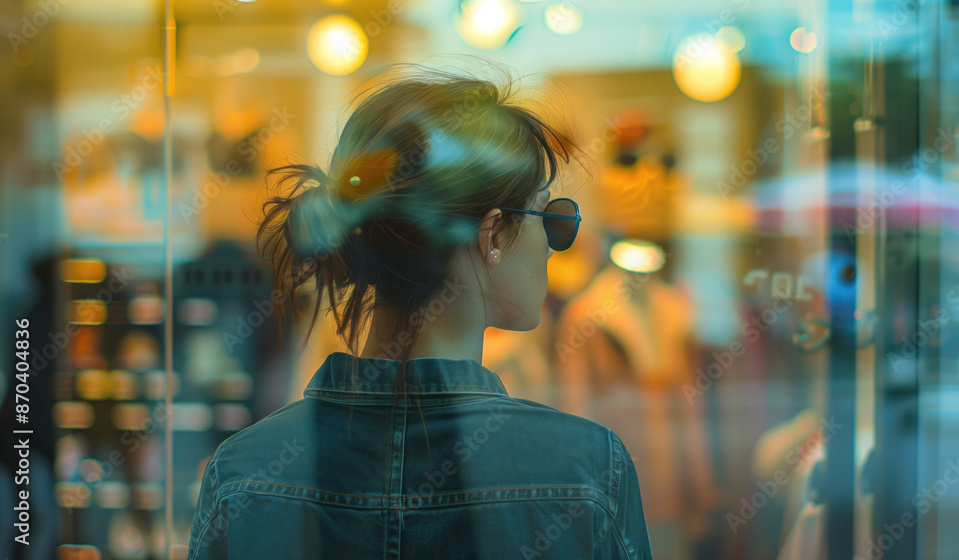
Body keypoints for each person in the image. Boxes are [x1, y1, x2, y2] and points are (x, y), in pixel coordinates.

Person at [186, 61, 654, 559]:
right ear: (493, 235)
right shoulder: (587, 472)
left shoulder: (241, 474)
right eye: (547, 214)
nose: (553, 243)